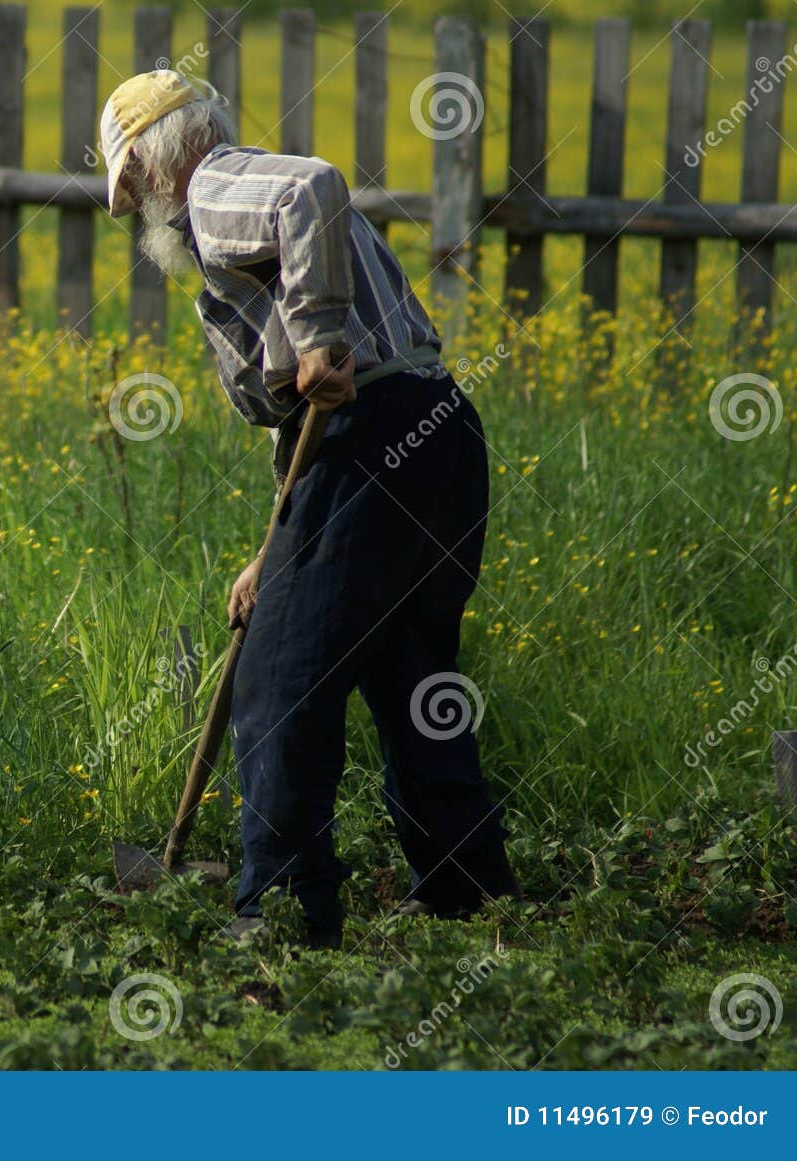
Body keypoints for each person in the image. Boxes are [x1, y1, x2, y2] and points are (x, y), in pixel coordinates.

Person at [99, 72, 519, 949]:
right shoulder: (242, 228)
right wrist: (274, 552)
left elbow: (313, 185)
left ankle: (284, 911)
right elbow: (301, 417)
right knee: (409, 671)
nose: (136, 208)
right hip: (435, 430)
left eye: (130, 185)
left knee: (280, 683)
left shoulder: (215, 187)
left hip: (376, 437)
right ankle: (467, 891)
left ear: (152, 162)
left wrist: (322, 331)